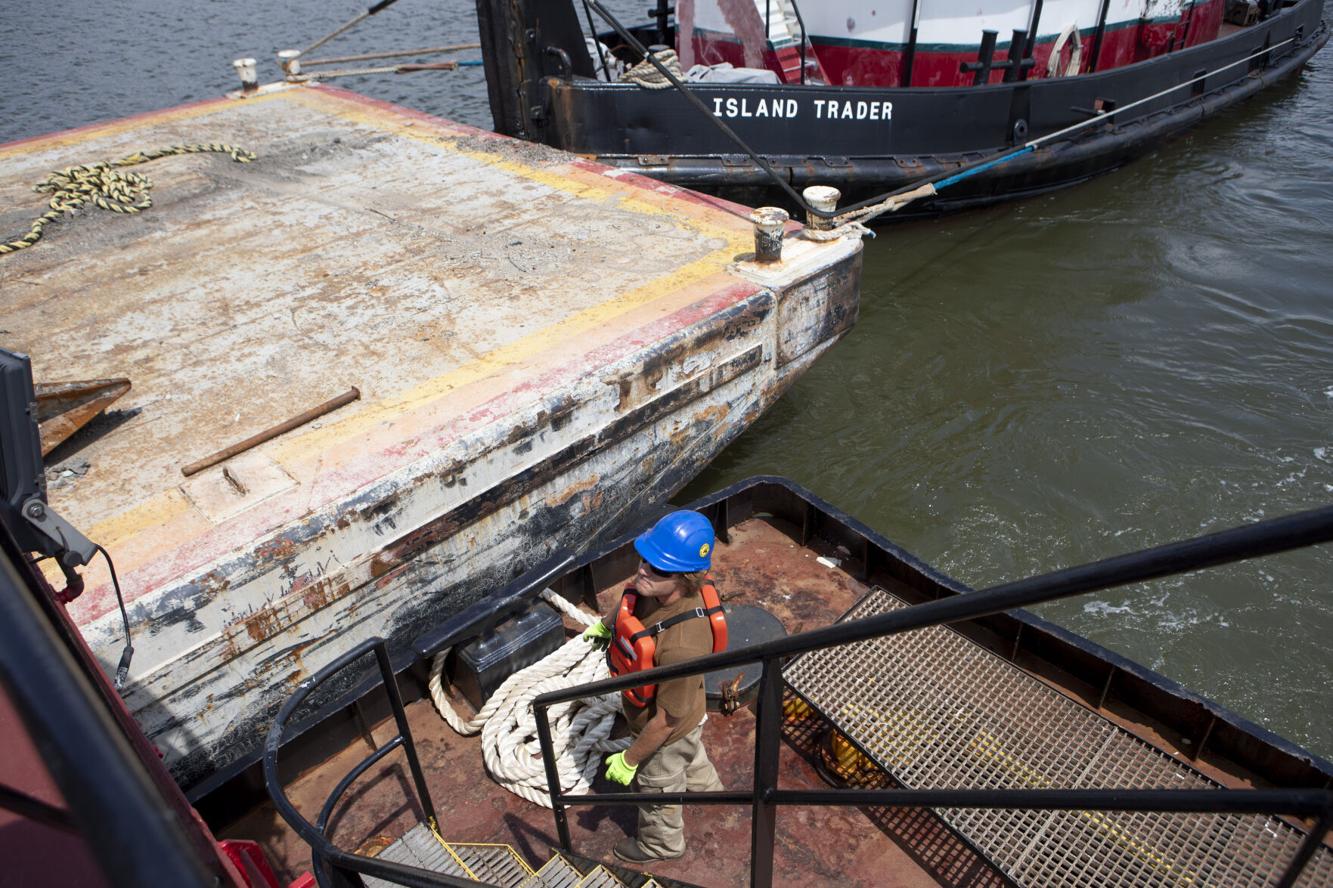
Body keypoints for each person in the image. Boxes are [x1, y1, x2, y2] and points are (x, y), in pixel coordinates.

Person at [582, 509, 726, 864]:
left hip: (666, 730)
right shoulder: (653, 588)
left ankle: (660, 846)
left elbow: (667, 721)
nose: (643, 570)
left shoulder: (681, 647)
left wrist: (631, 760)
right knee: (691, 756)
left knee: (657, 786)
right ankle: (709, 791)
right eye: (644, 558)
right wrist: (605, 626)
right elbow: (629, 602)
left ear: (687, 578)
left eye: (659, 567)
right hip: (689, 715)